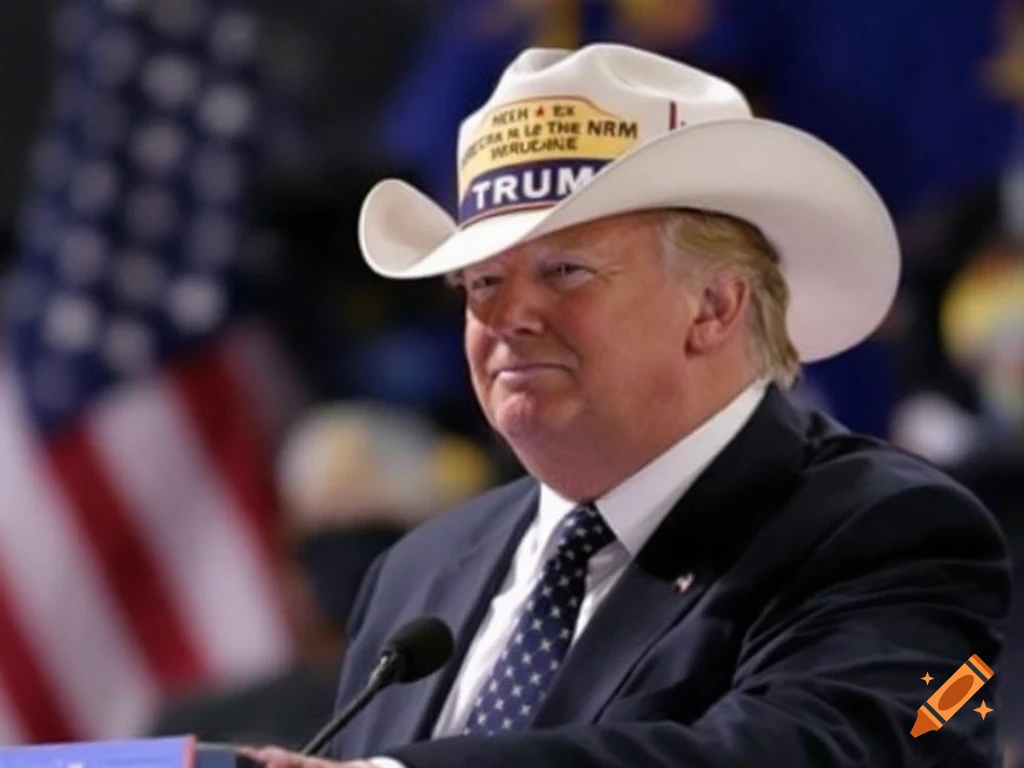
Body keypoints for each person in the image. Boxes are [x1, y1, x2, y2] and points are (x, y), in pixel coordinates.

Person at [244, 43, 1012, 768]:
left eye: (565, 271)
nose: (508, 316)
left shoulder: (886, 534)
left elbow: (821, 752)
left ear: (714, 304)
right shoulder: (418, 572)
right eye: (482, 282)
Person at [150, 401, 494, 748]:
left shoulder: (494, 704)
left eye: (380, 546)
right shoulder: (200, 735)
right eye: (328, 551)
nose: (356, 576)